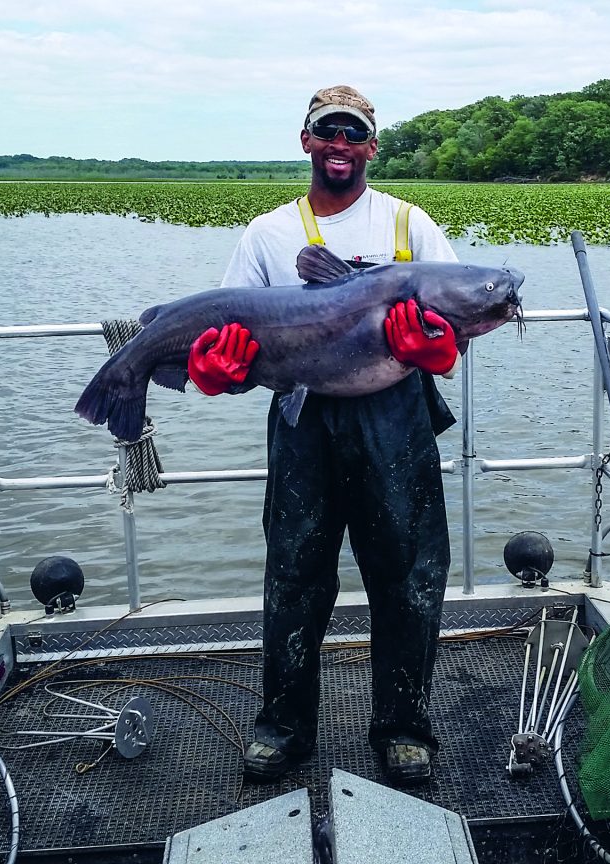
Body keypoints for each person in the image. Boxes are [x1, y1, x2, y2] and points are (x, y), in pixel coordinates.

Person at [189, 84, 459, 786]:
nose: (340, 143)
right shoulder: (269, 234)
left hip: (395, 421)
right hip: (302, 420)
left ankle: (403, 729)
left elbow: (462, 314)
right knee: (294, 578)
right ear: (305, 140)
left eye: (354, 132)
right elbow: (227, 334)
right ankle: (282, 729)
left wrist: (441, 350)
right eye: (326, 130)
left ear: (373, 145)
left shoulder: (411, 225)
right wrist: (219, 370)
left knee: (409, 580)